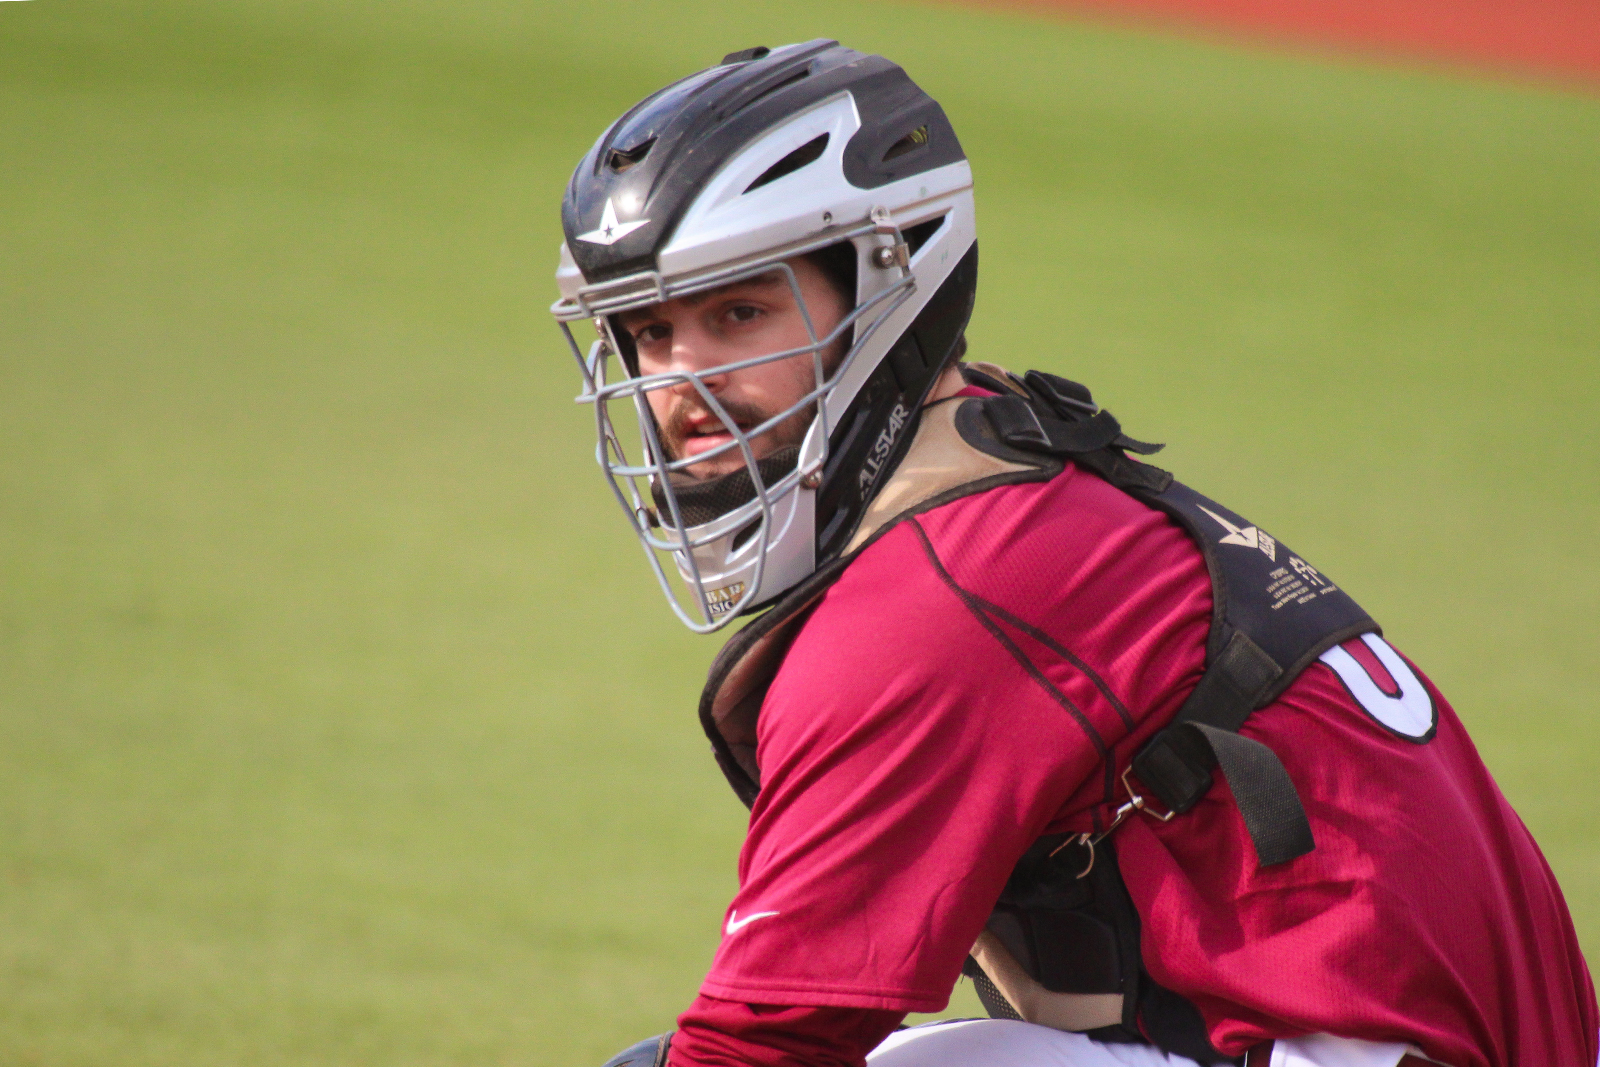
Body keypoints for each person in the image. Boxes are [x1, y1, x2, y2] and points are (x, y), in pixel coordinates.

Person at [549, 40, 1597, 1067]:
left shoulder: (942, 595)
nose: (676, 384)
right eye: (646, 331)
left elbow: (768, 1035)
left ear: (886, 291)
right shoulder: (999, 461)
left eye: (740, 313)